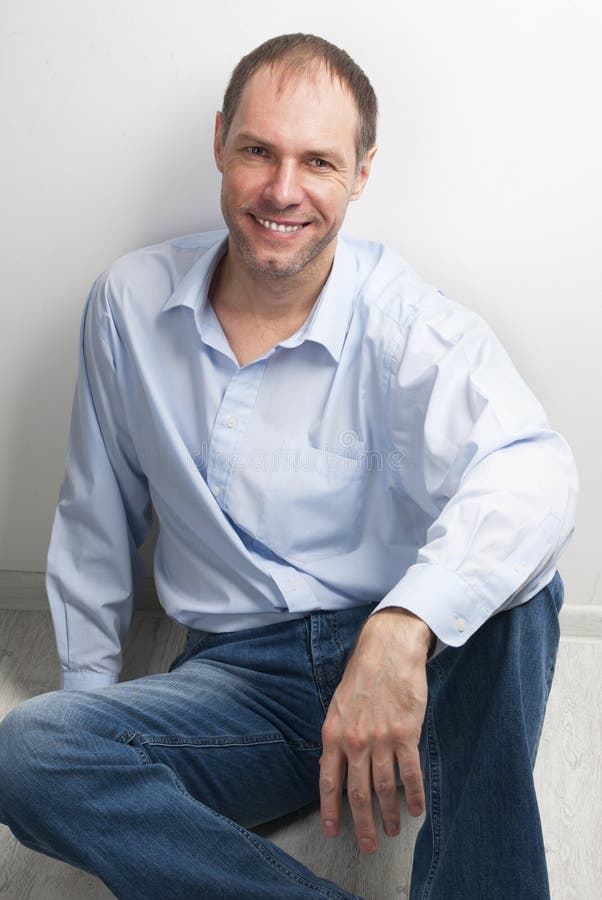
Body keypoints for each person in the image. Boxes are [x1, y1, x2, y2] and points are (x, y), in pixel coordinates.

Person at [0, 32, 577, 900]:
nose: (282, 189)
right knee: (28, 752)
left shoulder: (409, 325)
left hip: (402, 671)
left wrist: (402, 627)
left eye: (318, 161)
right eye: (258, 151)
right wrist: (93, 707)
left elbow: (536, 471)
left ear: (361, 173)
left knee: (523, 584)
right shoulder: (127, 304)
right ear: (220, 140)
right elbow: (95, 516)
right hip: (236, 690)